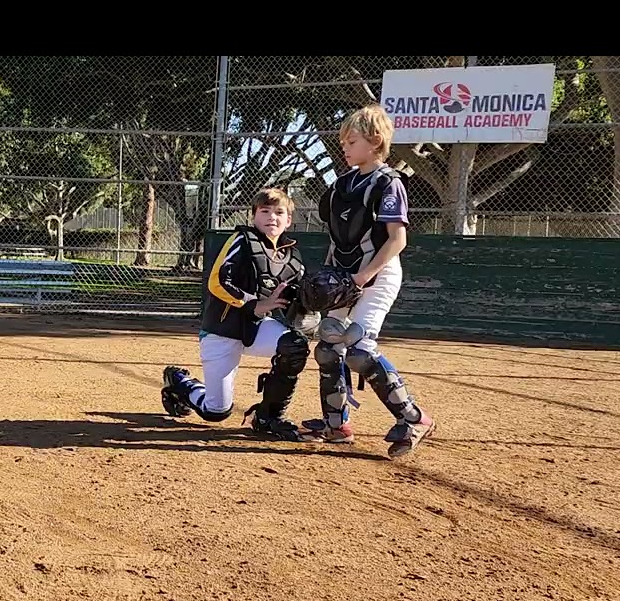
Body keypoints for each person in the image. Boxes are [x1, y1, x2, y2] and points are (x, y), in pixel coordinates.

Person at [299, 103, 436, 457]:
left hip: (378, 274)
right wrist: (331, 277)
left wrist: (362, 277)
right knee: (329, 347)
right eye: (343, 140)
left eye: (352, 140)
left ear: (375, 141)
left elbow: (397, 240)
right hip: (345, 276)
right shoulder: (341, 184)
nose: (344, 146)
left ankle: (415, 418)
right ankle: (337, 425)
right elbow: (338, 239)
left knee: (359, 352)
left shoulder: (388, 183)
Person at [161, 188, 316, 441]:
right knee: (216, 411)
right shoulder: (241, 241)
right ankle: (178, 381)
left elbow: (296, 297)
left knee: (295, 346)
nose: (272, 217)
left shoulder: (292, 256)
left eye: (279, 212)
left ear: (289, 220)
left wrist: (310, 305)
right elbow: (217, 281)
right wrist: (254, 303)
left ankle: (268, 416)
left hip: (256, 328)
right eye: (264, 211)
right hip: (222, 329)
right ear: (253, 216)